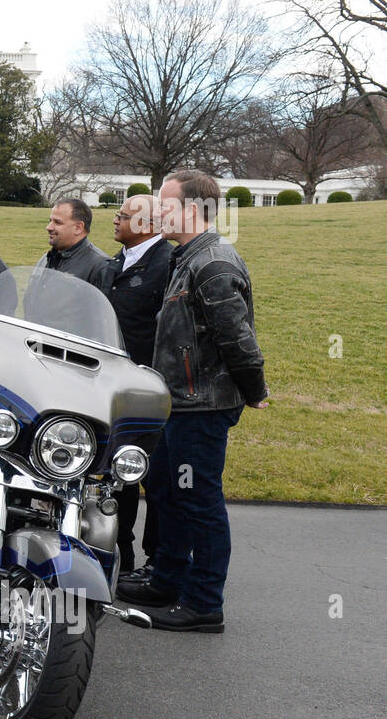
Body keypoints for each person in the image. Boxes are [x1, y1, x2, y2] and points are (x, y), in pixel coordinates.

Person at [117, 170, 268, 633]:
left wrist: (254, 390)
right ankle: (167, 580)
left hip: (201, 406)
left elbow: (237, 337)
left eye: (164, 203)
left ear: (192, 210)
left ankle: (203, 604)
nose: (155, 211)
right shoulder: (187, 257)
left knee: (198, 501)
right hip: (178, 403)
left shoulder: (214, 263)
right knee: (167, 491)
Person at [105, 193, 171, 578]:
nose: (115, 220)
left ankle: (156, 562)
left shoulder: (166, 264)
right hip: (114, 385)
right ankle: (120, 553)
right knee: (118, 474)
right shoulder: (116, 261)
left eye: (123, 216)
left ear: (146, 225)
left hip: (150, 388)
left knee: (154, 477)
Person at [39, 198, 111, 289]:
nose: (48, 227)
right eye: (50, 221)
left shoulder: (100, 266)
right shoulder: (46, 259)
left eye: (57, 222)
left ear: (78, 228)